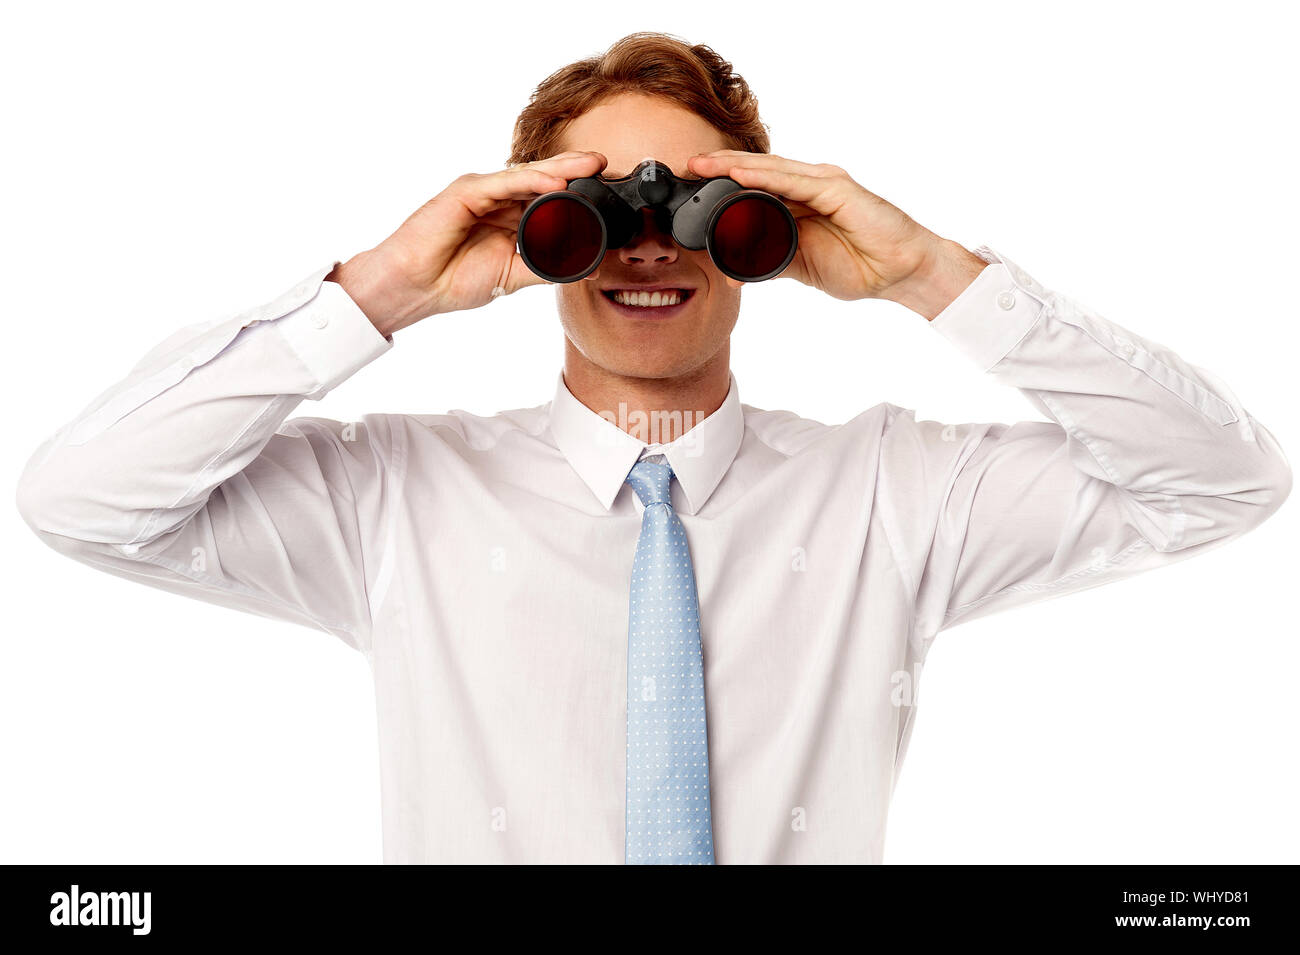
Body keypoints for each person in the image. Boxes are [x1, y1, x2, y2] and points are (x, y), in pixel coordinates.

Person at [14, 32, 1291, 864]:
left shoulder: (895, 494)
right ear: (531, 228)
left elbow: (1222, 482)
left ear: (766, 229)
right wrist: (385, 290)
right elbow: (81, 501)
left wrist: (926, 276)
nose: (649, 242)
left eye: (695, 201)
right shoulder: (393, 499)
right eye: (600, 204)